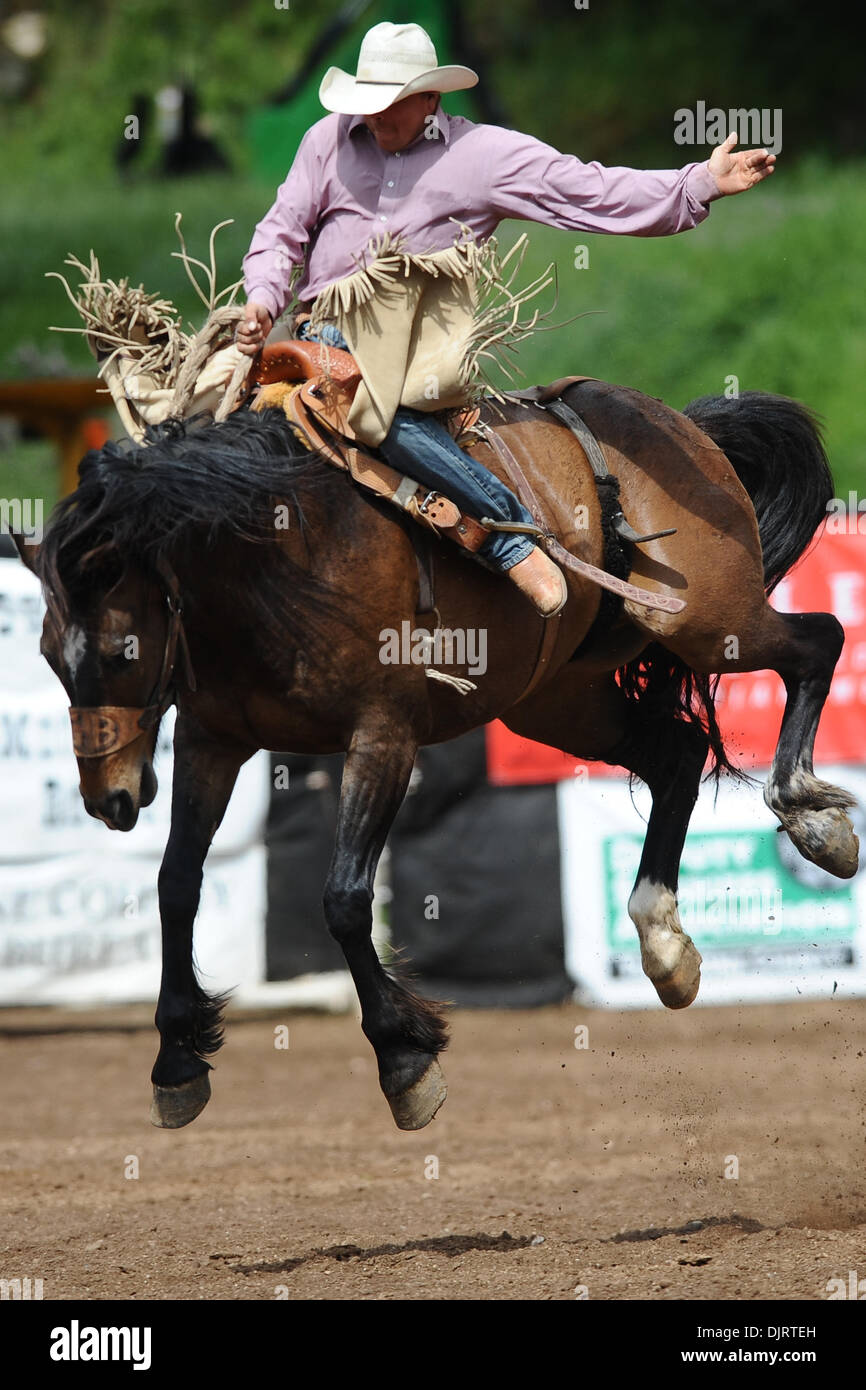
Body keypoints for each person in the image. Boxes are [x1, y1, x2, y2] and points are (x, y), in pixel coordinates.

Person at [237, 22, 774, 616]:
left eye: (388, 105)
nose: (374, 117)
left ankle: (510, 538)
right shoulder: (326, 140)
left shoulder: (482, 156)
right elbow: (280, 230)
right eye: (367, 104)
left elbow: (589, 191)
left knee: (372, 411)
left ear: (429, 100)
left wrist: (697, 182)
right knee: (201, 422)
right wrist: (262, 298)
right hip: (315, 336)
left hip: (410, 357)